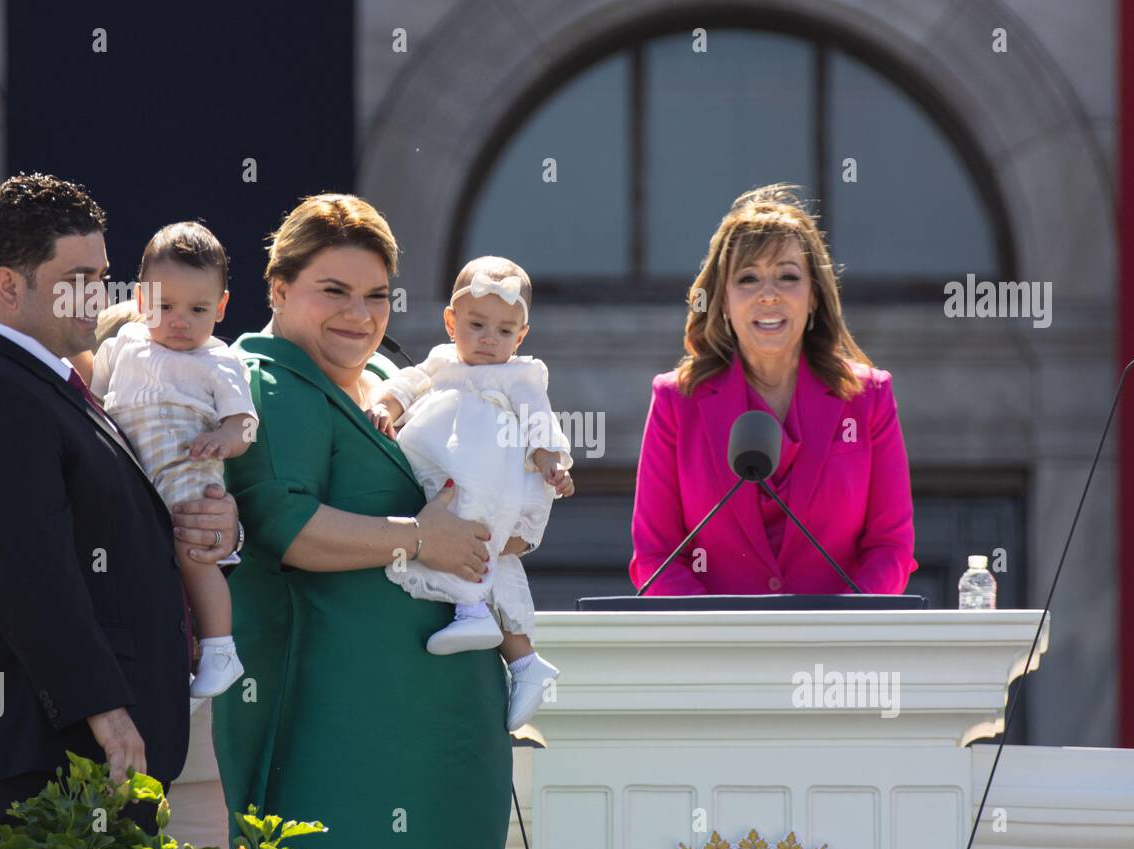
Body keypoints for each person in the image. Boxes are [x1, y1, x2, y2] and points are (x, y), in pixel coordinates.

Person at [0, 174, 242, 832]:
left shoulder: (50, 384)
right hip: (56, 756)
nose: (104, 295)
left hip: (94, 755)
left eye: (104, 274)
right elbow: (26, 574)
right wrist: (106, 711)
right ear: (10, 285)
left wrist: (220, 531)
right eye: (80, 277)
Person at [214, 194, 513, 849]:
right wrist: (422, 538)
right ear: (280, 288)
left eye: (376, 295)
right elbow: (285, 528)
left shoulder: (391, 379)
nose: (359, 314)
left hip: (442, 732)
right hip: (341, 732)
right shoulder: (265, 381)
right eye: (334, 291)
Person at [629, 184, 917, 596]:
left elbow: (890, 547)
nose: (768, 295)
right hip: (715, 654)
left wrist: (843, 629)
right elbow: (656, 555)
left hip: (836, 653)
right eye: (748, 278)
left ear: (814, 296)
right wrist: (725, 639)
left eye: (787, 276)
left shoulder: (869, 398)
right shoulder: (676, 402)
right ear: (723, 301)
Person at [366, 255, 573, 730]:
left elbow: (539, 422)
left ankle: (471, 610)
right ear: (450, 321)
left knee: (476, 532)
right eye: (476, 324)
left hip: (495, 477)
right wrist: (383, 405)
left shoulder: (518, 376)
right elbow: (406, 383)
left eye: (504, 331)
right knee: (480, 548)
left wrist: (550, 463)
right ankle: (525, 663)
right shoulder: (442, 362)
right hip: (447, 472)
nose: (487, 339)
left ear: (520, 337)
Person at [91, 222, 256, 698]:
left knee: (194, 553)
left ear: (221, 308)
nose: (180, 320)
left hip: (187, 469)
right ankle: (172, 668)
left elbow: (245, 424)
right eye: (164, 306)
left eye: (198, 308)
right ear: (140, 300)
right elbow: (91, 407)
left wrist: (224, 439)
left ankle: (220, 648)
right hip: (132, 477)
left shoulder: (219, 361)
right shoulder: (120, 347)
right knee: (141, 570)